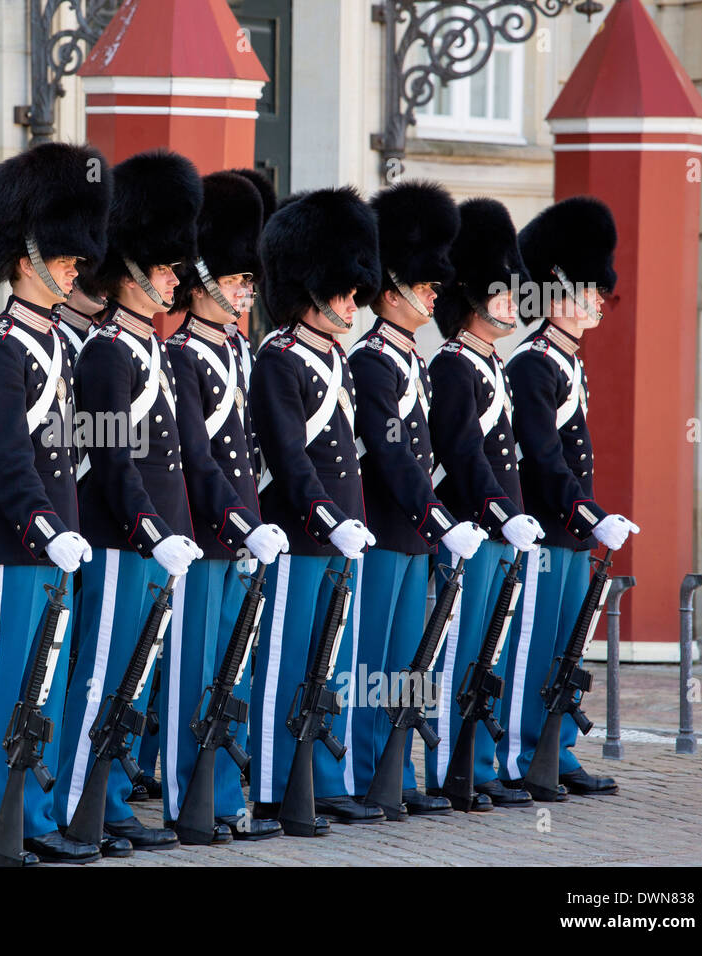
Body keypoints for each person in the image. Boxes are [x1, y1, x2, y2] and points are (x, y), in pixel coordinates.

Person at [0, 141, 112, 866]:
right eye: (65, 258)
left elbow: (70, 448)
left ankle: (35, 815)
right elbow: (10, 459)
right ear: (26, 257)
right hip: (15, 542)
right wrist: (47, 528)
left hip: (56, 544)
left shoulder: (60, 346)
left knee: (41, 691)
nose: (77, 270)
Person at [53, 149, 205, 852]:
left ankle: (111, 797)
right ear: (132, 270)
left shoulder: (152, 348)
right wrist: (150, 529)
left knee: (134, 679)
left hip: (155, 541)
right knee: (101, 679)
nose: (176, 278)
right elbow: (113, 461)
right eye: (167, 267)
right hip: (120, 542)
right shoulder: (108, 351)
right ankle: (82, 799)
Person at [347, 180, 487, 820]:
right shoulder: (374, 359)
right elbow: (390, 455)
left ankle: (395, 768)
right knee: (373, 658)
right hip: (383, 527)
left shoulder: (411, 358)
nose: (435, 297)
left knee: (408, 658)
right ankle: (368, 767)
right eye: (425, 287)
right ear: (394, 285)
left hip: (413, 534)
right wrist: (437, 517)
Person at [162, 170, 289, 842]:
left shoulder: (240, 349)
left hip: (244, 536)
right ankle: (190, 801)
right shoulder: (180, 354)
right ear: (204, 275)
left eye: (250, 280)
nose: (247, 291)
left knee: (231, 672)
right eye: (238, 279)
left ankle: (229, 793)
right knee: (193, 676)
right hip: (206, 536)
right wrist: (240, 524)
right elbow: (195, 457)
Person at [499, 196, 640, 800]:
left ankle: (557, 750)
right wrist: (590, 514)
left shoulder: (567, 363)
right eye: (591, 293)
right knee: (533, 648)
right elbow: (543, 457)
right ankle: (521, 753)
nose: (599, 305)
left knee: (567, 647)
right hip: (547, 530)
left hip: (572, 532)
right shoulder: (533, 364)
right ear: (560, 289)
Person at [248, 186, 378, 831]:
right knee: (288, 660)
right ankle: (276, 783)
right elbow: (291, 458)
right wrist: (327, 518)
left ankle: (324, 779)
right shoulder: (278, 358)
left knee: (333, 664)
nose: (354, 303)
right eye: (345, 292)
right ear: (311, 287)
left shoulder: (336, 357)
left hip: (341, 535)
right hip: (302, 535)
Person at [424, 198, 544, 810]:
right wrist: (499, 513)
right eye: (499, 294)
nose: (510, 304)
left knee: (486, 654)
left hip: (499, 532)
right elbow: (465, 455)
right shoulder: (452, 367)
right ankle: (451, 766)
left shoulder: (489, 365)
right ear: (471, 296)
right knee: (460, 657)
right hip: (471, 531)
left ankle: (481, 763)